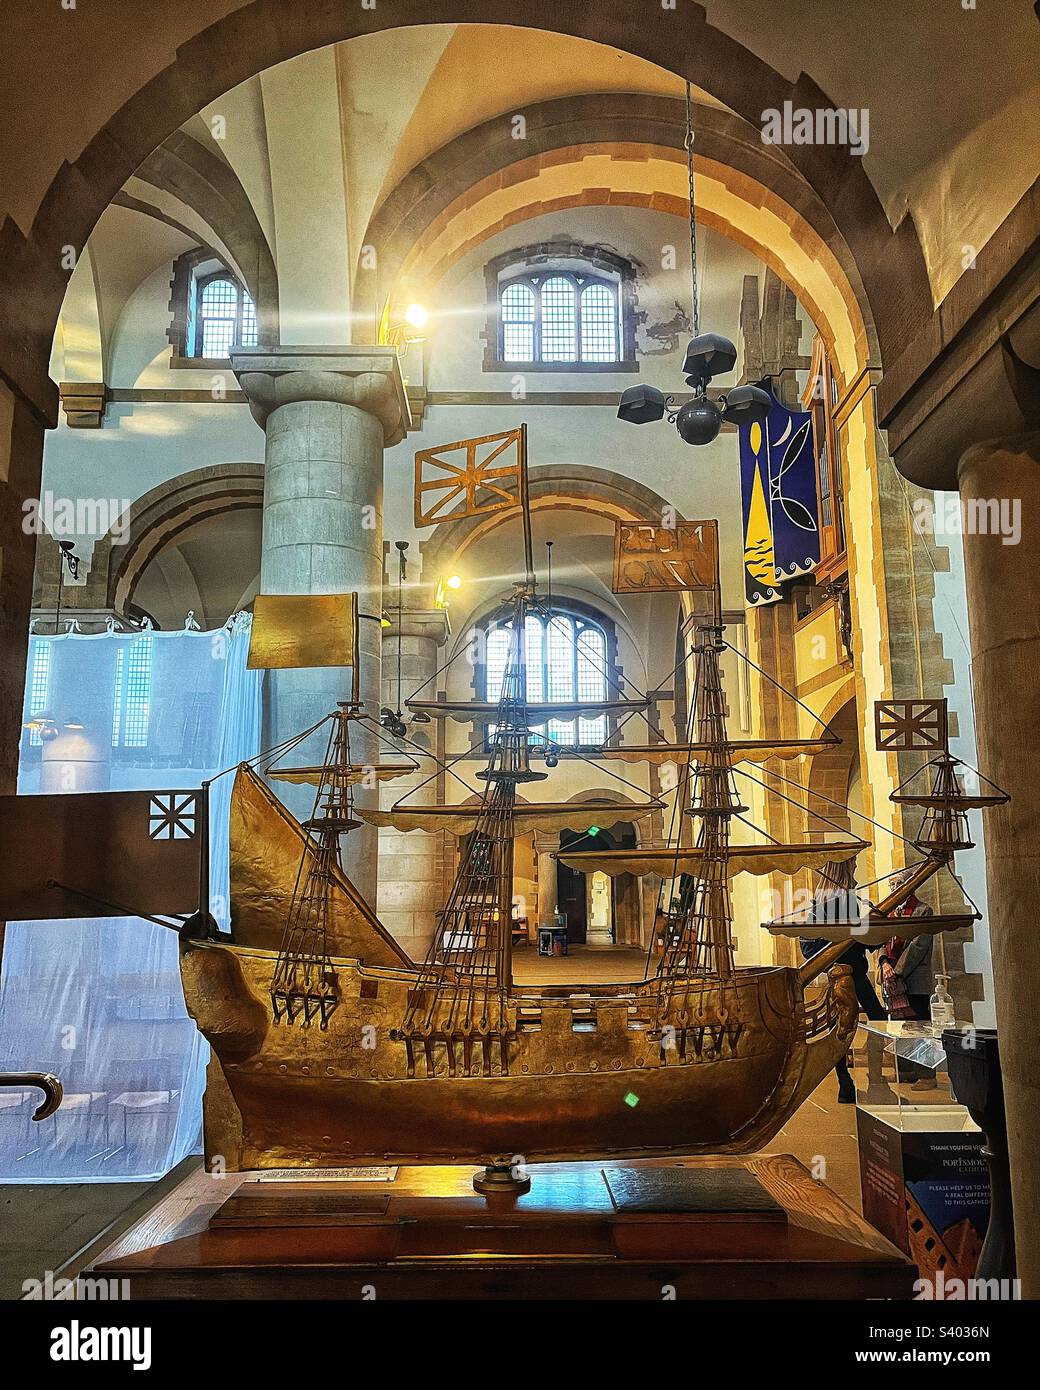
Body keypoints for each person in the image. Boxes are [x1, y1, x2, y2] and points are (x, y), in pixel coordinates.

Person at [799, 859, 886, 1105]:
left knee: (840, 1025)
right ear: (843, 868)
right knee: (875, 1019)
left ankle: (846, 1082)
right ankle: (872, 1079)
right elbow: (852, 940)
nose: (856, 870)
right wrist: (874, 930)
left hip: (839, 971)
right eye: (853, 865)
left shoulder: (823, 900)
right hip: (850, 972)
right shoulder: (841, 900)